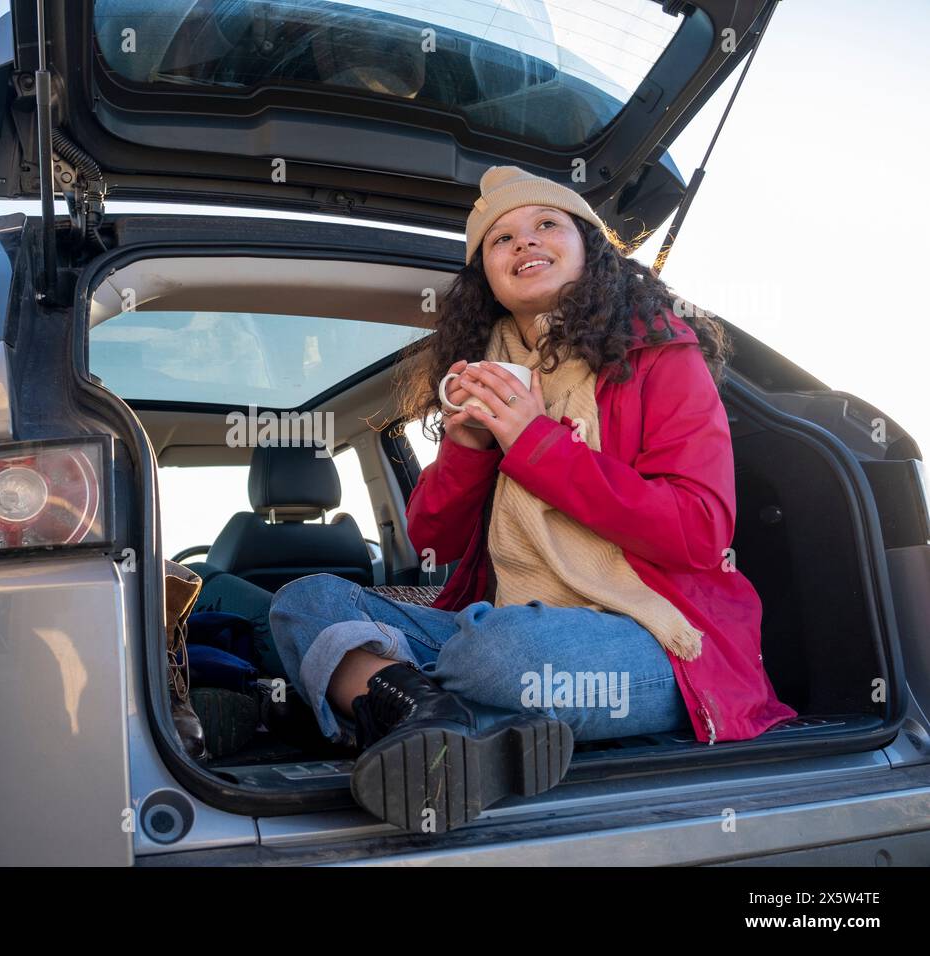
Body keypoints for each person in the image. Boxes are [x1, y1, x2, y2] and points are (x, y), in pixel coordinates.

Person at [268, 165, 797, 833]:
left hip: (655, 642)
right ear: (485, 275)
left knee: (493, 652)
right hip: (507, 627)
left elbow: (697, 532)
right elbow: (432, 540)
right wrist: (468, 446)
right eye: (501, 239)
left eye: (547, 224)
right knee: (304, 601)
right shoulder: (489, 376)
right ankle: (435, 722)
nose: (525, 243)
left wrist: (536, 442)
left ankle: (382, 712)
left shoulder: (662, 356)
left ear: (589, 247)